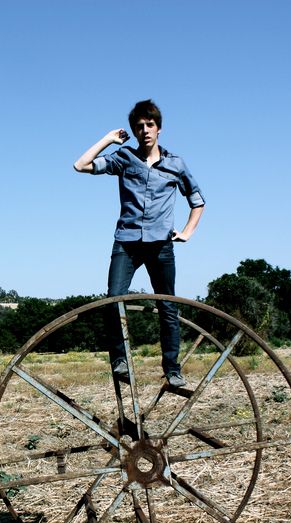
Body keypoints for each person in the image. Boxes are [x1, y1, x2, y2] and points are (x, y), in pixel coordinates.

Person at [73, 99, 205, 388]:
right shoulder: (124, 158)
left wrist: (187, 232)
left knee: (168, 306)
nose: (145, 130)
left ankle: (172, 369)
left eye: (150, 125)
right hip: (127, 242)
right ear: (133, 130)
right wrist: (108, 139)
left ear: (159, 129)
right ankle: (120, 361)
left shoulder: (175, 164)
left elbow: (197, 201)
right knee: (113, 300)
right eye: (139, 126)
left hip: (161, 245)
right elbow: (80, 165)